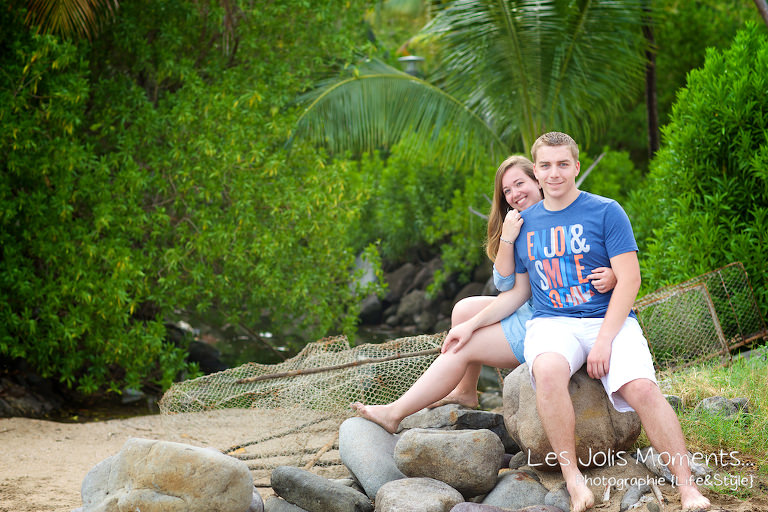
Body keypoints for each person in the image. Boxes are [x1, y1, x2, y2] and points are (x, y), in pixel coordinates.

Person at [446, 132, 710, 512]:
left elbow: (630, 279)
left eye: (562, 164)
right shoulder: (524, 224)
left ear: (576, 167)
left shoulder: (606, 211)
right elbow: (518, 293)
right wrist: (469, 324)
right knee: (549, 371)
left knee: (643, 390)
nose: (555, 173)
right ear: (536, 172)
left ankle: (688, 490)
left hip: (608, 319)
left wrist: (602, 341)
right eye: (546, 165)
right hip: (552, 323)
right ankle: (574, 482)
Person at [351, 154, 616, 432]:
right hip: (529, 305)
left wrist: (613, 275)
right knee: (464, 310)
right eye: (507, 191)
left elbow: (593, 259)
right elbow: (505, 284)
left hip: (549, 319)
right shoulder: (520, 223)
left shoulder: (567, 214)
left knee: (462, 346)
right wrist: (508, 236)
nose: (514, 194)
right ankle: (466, 390)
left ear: (537, 180)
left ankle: (394, 413)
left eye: (519, 184)